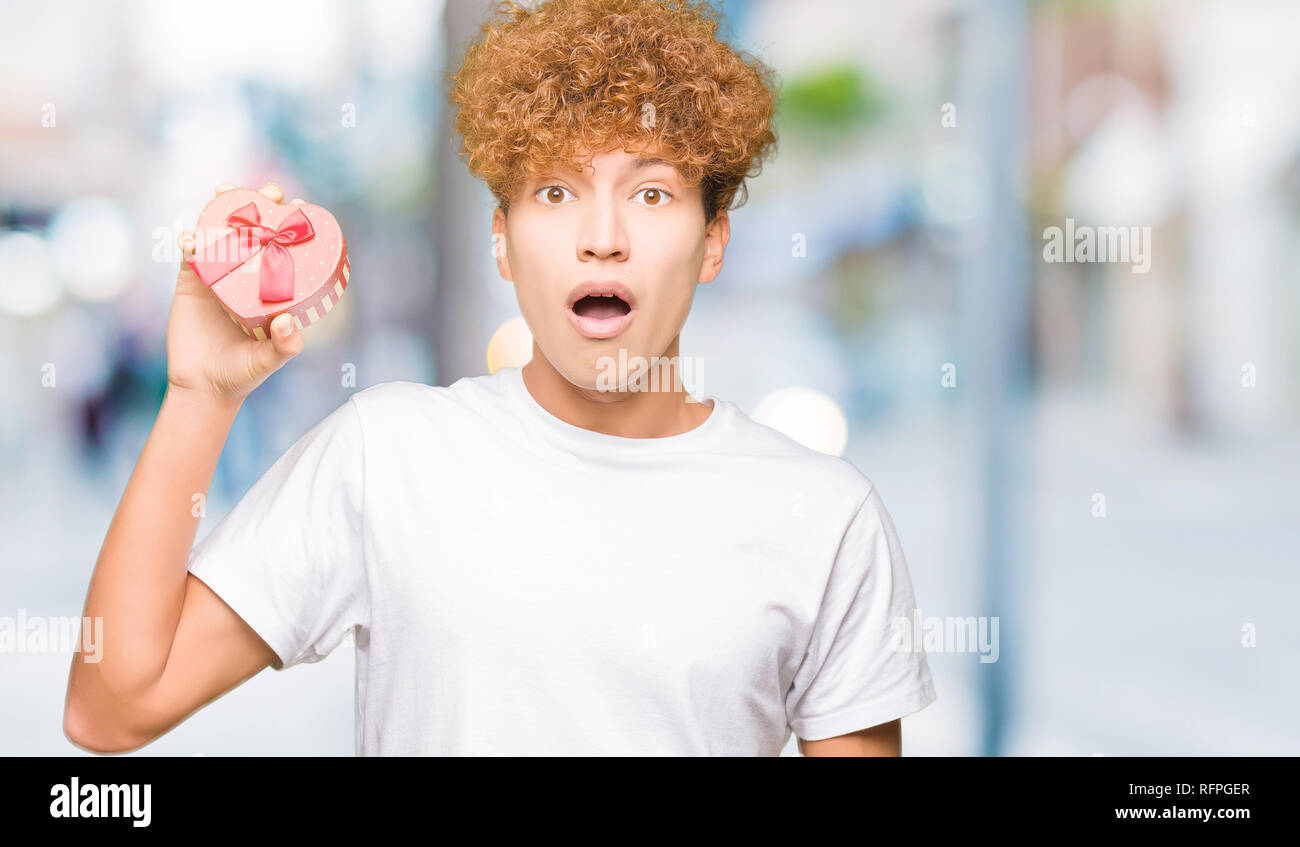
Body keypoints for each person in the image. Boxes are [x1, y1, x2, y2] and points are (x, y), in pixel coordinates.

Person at [64, 0, 936, 756]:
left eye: (653, 194)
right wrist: (199, 396)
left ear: (713, 242)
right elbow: (111, 708)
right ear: (501, 241)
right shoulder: (389, 453)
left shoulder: (824, 517)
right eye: (555, 193)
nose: (603, 236)